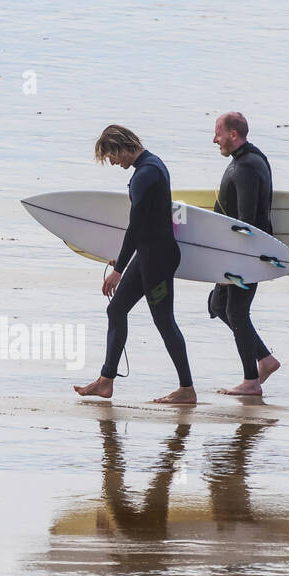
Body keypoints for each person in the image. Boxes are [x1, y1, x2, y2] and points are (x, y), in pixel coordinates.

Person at [73, 125, 196, 405]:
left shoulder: (145, 174)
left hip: (158, 260)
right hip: (150, 254)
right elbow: (148, 224)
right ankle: (106, 381)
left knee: (164, 322)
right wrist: (126, 257)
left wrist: (119, 269)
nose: (114, 163)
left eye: (112, 157)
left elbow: (137, 225)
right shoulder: (153, 165)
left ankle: (187, 389)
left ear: (120, 147)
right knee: (116, 309)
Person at [207, 111, 281, 396]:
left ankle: (251, 381)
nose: (215, 139)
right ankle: (265, 359)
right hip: (238, 254)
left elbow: (247, 224)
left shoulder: (247, 167)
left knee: (236, 311)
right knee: (218, 305)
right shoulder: (248, 159)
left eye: (219, 133)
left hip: (246, 255)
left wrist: (234, 265)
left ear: (233, 135)